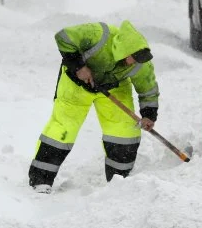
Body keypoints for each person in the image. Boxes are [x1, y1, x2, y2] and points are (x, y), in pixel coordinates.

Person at [28, 20, 159, 194]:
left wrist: (149, 114)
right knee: (63, 129)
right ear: (123, 49)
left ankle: (120, 182)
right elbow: (63, 36)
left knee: (125, 131)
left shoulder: (140, 62)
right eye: (132, 58)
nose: (133, 63)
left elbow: (148, 88)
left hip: (113, 86)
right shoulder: (99, 35)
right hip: (76, 82)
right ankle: (40, 181)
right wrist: (79, 66)